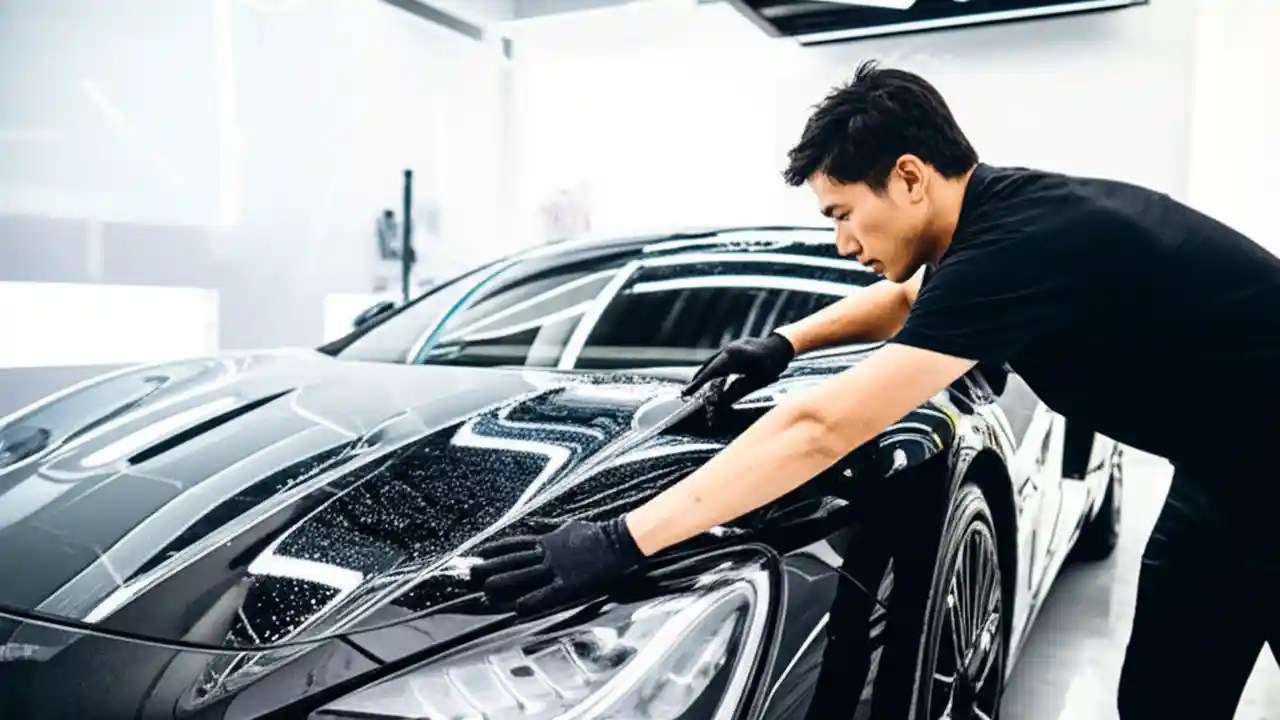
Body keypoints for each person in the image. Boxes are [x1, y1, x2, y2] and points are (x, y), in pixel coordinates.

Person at [471, 60, 1280, 718]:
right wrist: (782, 342)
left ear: (909, 177)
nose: (841, 241)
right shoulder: (1003, 219)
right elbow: (907, 299)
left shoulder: (1023, 244)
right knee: (1166, 699)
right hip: (1229, 475)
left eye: (843, 213)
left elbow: (821, 428)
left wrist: (621, 540)